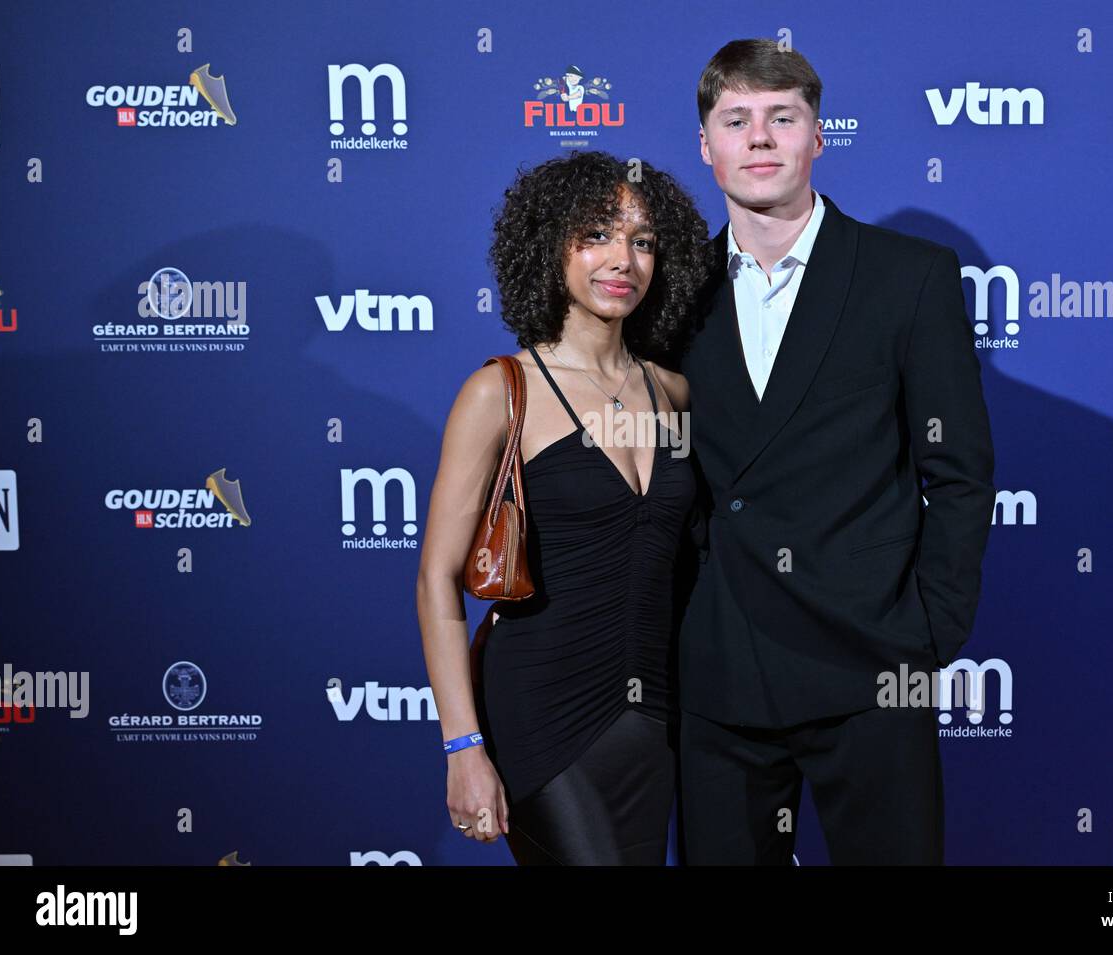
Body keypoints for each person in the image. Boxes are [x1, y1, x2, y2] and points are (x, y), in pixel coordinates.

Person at [675, 39, 997, 865]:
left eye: (782, 117)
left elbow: (958, 471)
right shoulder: (673, 291)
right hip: (723, 668)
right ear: (704, 144)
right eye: (736, 119)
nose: (759, 138)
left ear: (818, 137)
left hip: (871, 665)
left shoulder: (908, 276)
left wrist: (927, 632)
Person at [416, 150, 711, 864]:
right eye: (598, 234)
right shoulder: (502, 391)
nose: (624, 259)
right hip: (539, 709)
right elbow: (436, 581)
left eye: (642, 240)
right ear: (550, 246)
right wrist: (463, 747)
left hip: (652, 716)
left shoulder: (673, 392)